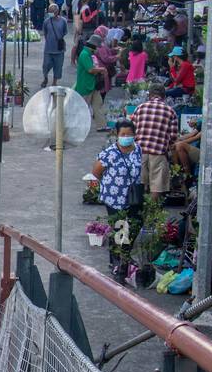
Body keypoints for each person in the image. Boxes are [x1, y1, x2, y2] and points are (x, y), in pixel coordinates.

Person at [91, 121, 145, 261]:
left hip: (134, 195)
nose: (126, 137)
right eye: (123, 134)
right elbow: (96, 172)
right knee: (120, 226)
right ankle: (116, 259)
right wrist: (111, 184)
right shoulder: (110, 153)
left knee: (136, 223)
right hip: (114, 197)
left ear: (134, 134)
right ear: (117, 134)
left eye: (129, 134)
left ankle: (125, 254)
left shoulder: (138, 150)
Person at [130, 85, 179, 200]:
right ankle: (152, 210)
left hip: (140, 150)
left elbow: (131, 129)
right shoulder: (171, 111)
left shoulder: (140, 108)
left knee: (140, 181)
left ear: (149, 95)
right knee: (156, 183)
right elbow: (173, 136)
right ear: (164, 96)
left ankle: (139, 207)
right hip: (158, 152)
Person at [75, 37, 107, 128]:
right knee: (83, 108)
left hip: (92, 85)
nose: (97, 50)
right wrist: (102, 69)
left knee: (98, 104)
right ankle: (79, 127)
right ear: (93, 46)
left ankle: (102, 125)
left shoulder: (88, 54)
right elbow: (90, 70)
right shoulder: (84, 54)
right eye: (97, 47)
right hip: (85, 86)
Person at [40, 4, 68, 86]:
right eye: (49, 11)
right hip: (48, 48)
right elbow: (45, 32)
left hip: (59, 48)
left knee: (58, 66)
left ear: (57, 11)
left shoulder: (63, 21)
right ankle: (45, 78)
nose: (51, 13)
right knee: (46, 65)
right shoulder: (46, 21)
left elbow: (64, 32)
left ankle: (54, 82)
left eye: (52, 11)